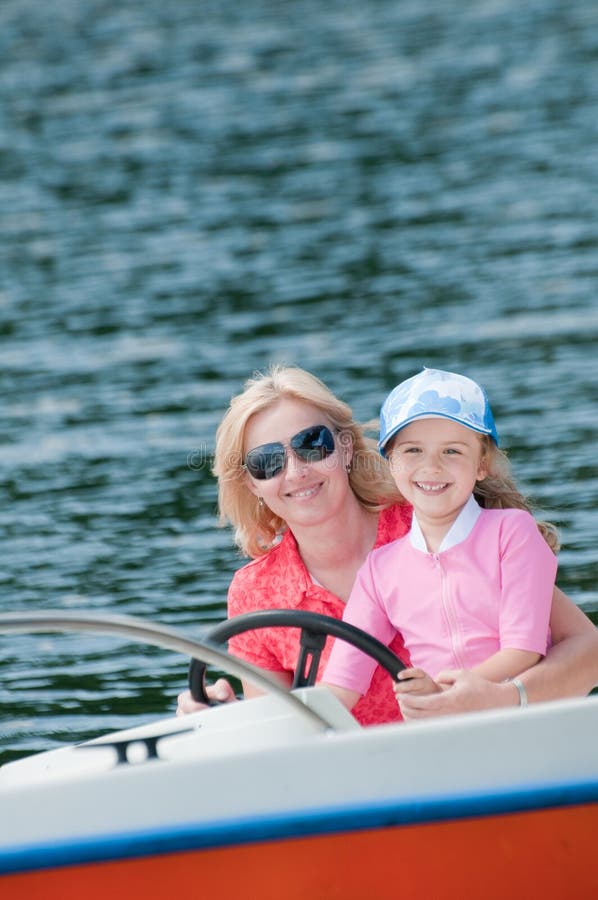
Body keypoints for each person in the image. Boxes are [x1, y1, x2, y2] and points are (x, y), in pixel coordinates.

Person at [177, 364, 598, 722]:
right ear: (250, 482)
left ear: (344, 448)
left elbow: (588, 652)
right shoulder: (257, 595)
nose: (297, 471)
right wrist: (226, 718)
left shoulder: (431, 516)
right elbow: (283, 734)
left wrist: (498, 696)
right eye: (267, 461)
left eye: (311, 444)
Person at [322, 367, 558, 713]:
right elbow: (341, 683)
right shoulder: (379, 570)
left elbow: (524, 650)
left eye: (451, 452)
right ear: (391, 463)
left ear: (482, 464)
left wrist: (445, 693)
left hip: (524, 721)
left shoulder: (512, 532)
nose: (431, 467)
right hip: (442, 734)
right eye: (413, 450)